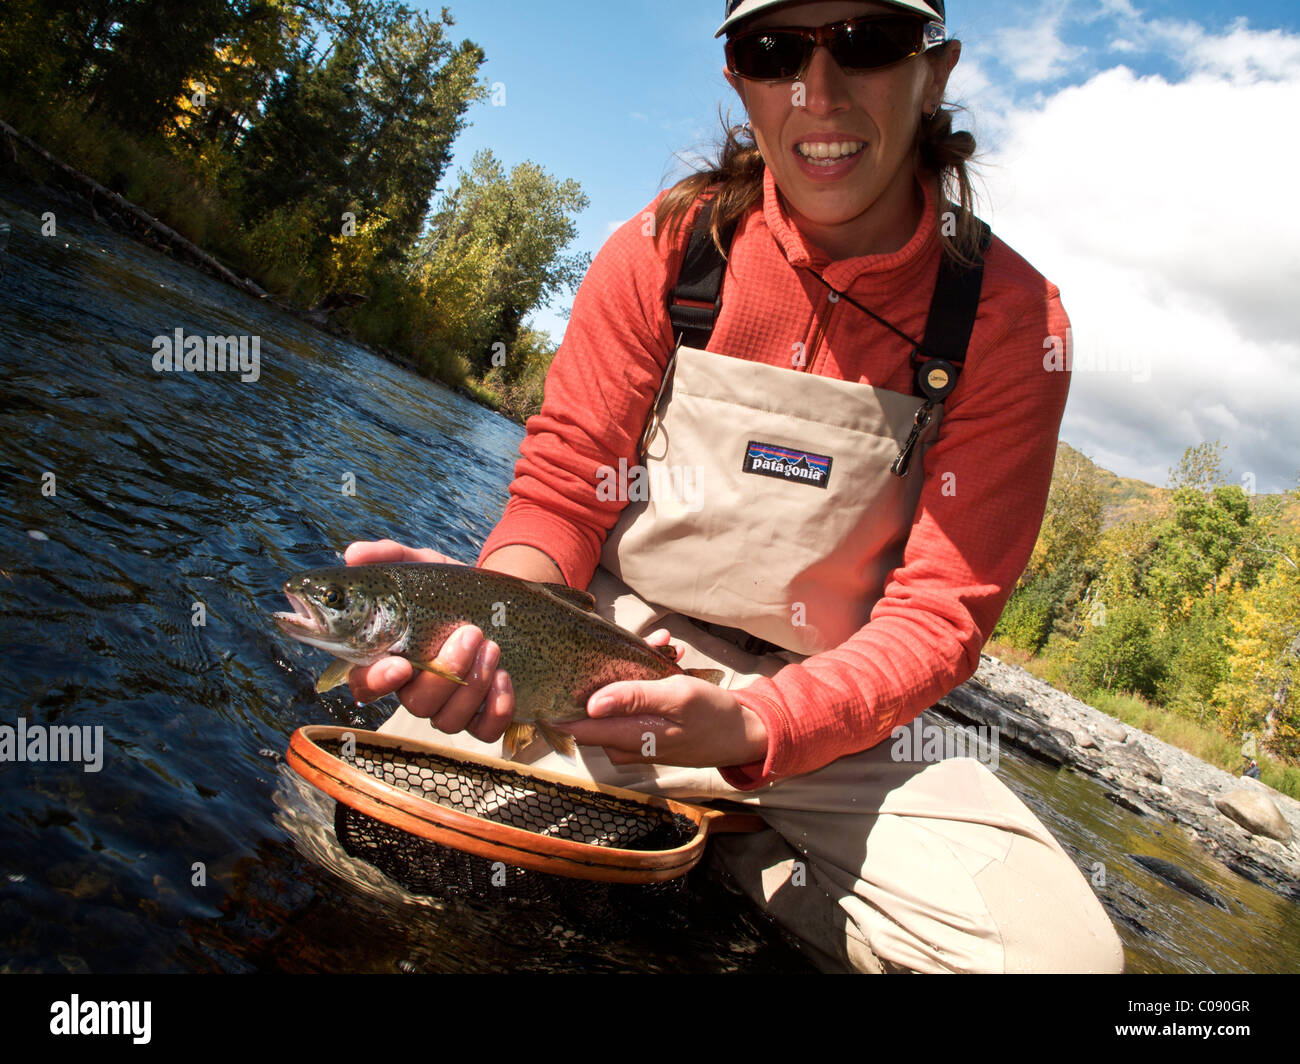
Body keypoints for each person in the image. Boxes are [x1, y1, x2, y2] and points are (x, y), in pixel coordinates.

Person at [345, 0, 1125, 973]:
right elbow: (558, 497)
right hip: (599, 643)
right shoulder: (665, 248)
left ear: (935, 70)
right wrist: (490, 617)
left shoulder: (1009, 318)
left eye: (866, 43)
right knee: (373, 838)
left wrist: (758, 724)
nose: (817, 91)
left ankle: (727, 831)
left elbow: (936, 620)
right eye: (773, 50)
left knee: (1056, 962)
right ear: (736, 78)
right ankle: (703, 833)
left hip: (839, 710)